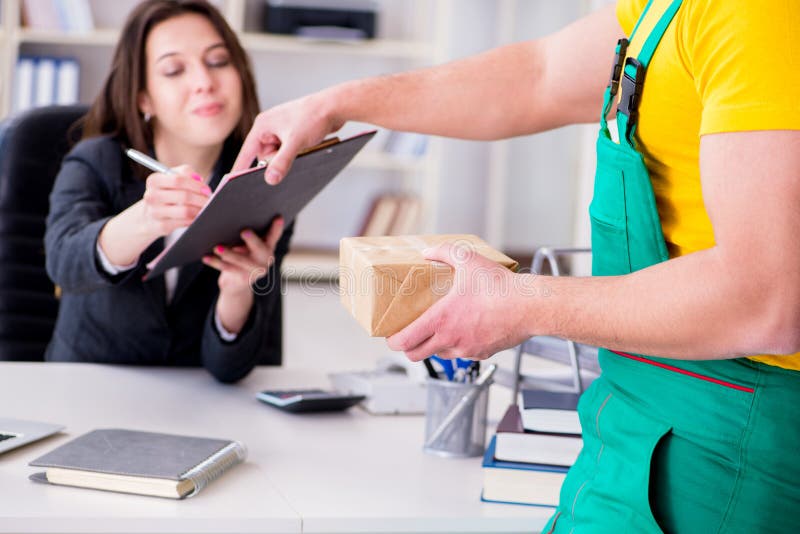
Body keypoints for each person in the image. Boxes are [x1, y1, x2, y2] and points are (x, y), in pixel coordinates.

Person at [232, 0, 800, 531]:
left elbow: (764, 299)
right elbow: (538, 76)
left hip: (729, 446)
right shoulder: (663, 8)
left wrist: (521, 303)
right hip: (639, 416)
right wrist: (337, 102)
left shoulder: (758, 14)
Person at [45, 0, 292, 384]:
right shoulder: (96, 160)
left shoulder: (265, 182)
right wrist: (145, 219)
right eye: (174, 69)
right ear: (144, 97)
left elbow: (232, 368)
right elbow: (64, 263)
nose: (204, 82)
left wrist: (238, 294)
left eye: (218, 61)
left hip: (198, 401)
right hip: (90, 387)